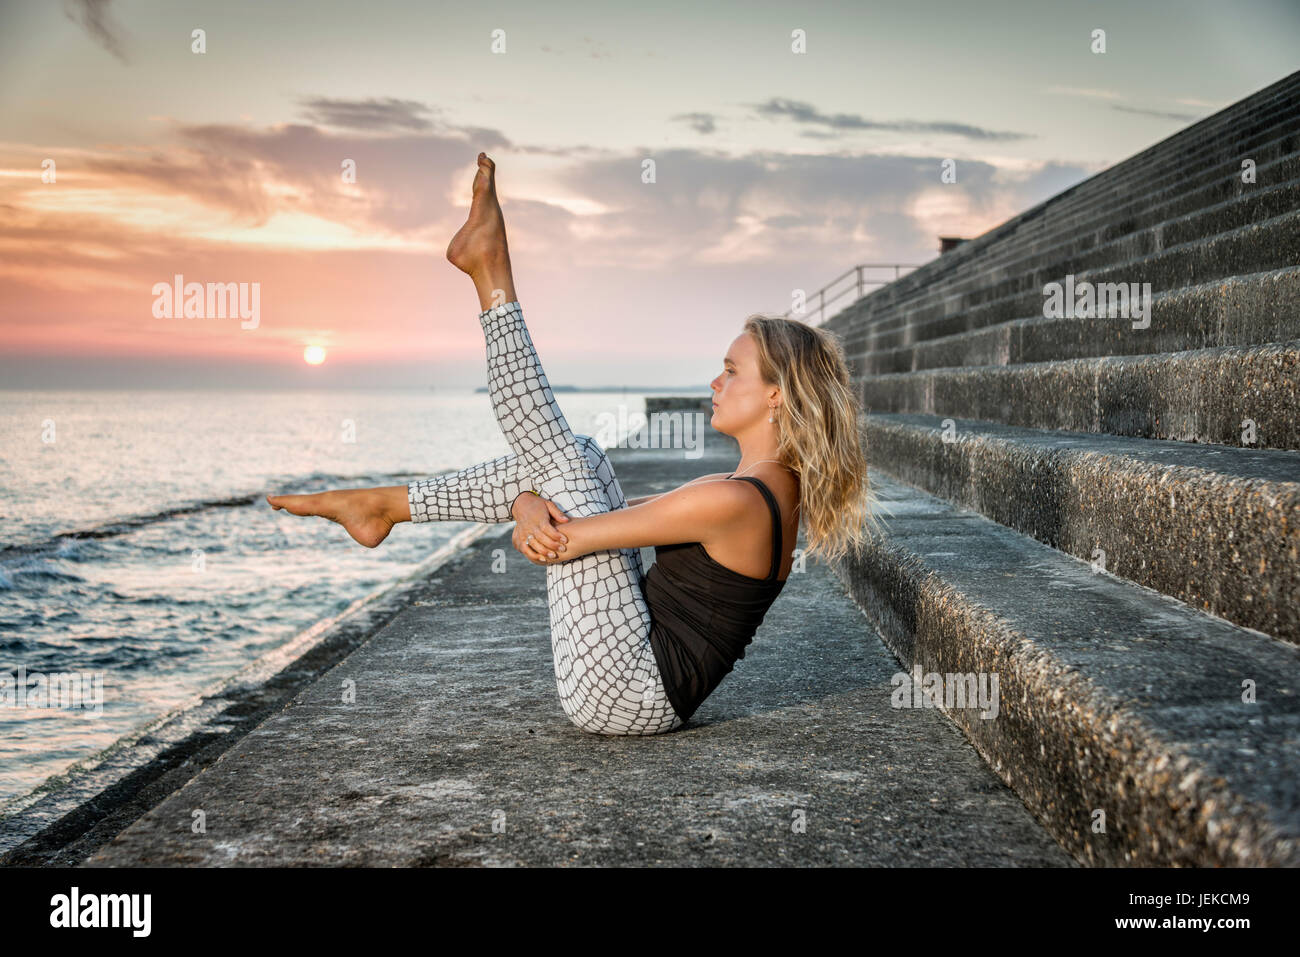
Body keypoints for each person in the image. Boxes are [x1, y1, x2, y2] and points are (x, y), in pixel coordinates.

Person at [267, 153, 874, 735]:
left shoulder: (738, 500)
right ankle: (384, 507)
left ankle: (491, 273)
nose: (714, 382)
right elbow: (595, 519)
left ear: (777, 394)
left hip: (623, 692)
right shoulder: (769, 487)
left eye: (732, 371)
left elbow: (559, 542)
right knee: (576, 455)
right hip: (634, 678)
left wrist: (525, 505)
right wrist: (527, 500)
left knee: (559, 456)